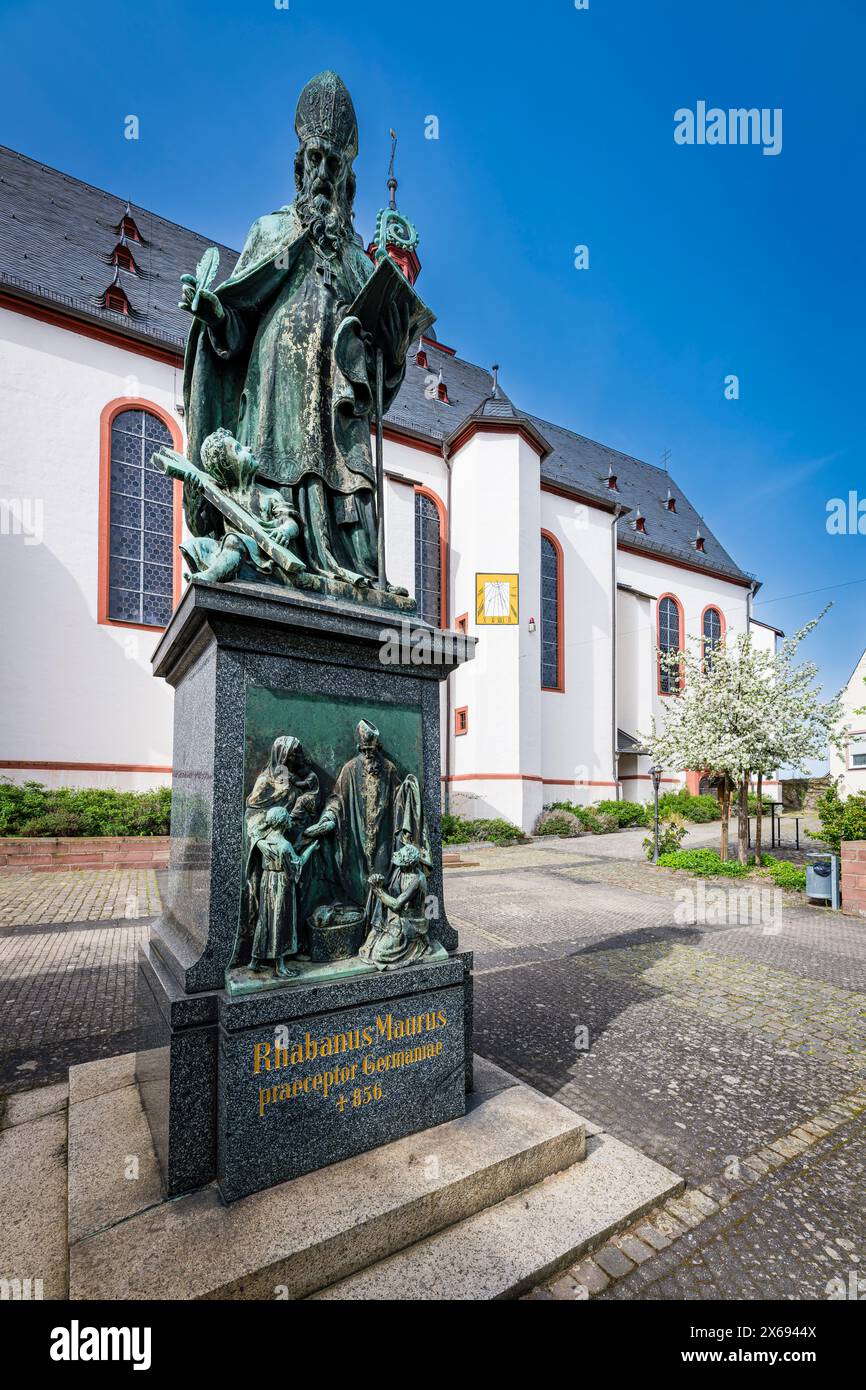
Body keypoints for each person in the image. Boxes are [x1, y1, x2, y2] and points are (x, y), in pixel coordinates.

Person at [247, 807, 319, 977]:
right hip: (281, 884)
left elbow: (255, 832)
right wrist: (311, 848)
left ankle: (255, 960)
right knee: (280, 920)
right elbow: (297, 865)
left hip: (267, 880)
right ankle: (280, 965)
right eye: (287, 818)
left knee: (265, 919)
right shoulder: (284, 845)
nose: (290, 821)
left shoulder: (265, 839)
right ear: (283, 822)